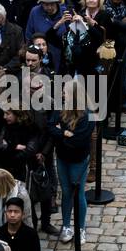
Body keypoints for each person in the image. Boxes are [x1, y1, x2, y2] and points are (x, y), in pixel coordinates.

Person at [49, 81, 94, 242]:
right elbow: (51, 127)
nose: (62, 94)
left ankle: (80, 228)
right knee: (66, 192)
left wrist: (62, 134)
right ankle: (66, 226)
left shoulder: (87, 115)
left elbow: (79, 141)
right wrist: (63, 134)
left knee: (78, 193)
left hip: (78, 160)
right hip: (62, 157)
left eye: (65, 92)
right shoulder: (60, 109)